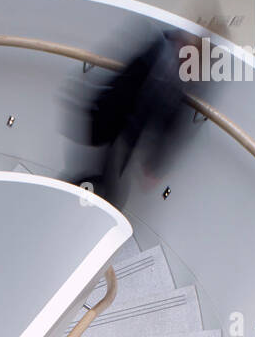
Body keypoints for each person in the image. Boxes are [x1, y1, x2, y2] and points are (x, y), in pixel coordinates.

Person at [68, 27, 188, 205]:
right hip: (113, 123)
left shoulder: (173, 66)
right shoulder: (159, 53)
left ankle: (74, 200)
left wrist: (155, 161)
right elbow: (131, 89)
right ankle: (71, 199)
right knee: (105, 182)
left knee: (107, 180)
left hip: (124, 131)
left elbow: (167, 114)